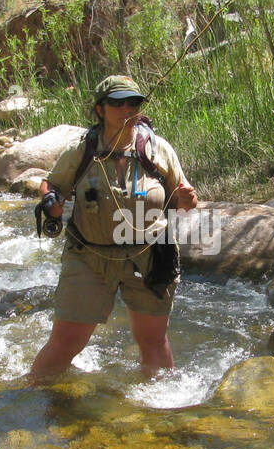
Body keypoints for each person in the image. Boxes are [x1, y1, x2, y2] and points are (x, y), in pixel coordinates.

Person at [29, 74, 199, 382]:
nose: (126, 109)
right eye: (117, 103)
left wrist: (188, 198)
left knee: (153, 342)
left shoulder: (158, 151)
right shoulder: (82, 150)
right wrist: (51, 202)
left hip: (151, 257)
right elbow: (51, 184)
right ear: (100, 109)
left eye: (133, 103)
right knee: (66, 343)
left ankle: (163, 413)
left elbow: (182, 201)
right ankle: (30, 397)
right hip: (89, 257)